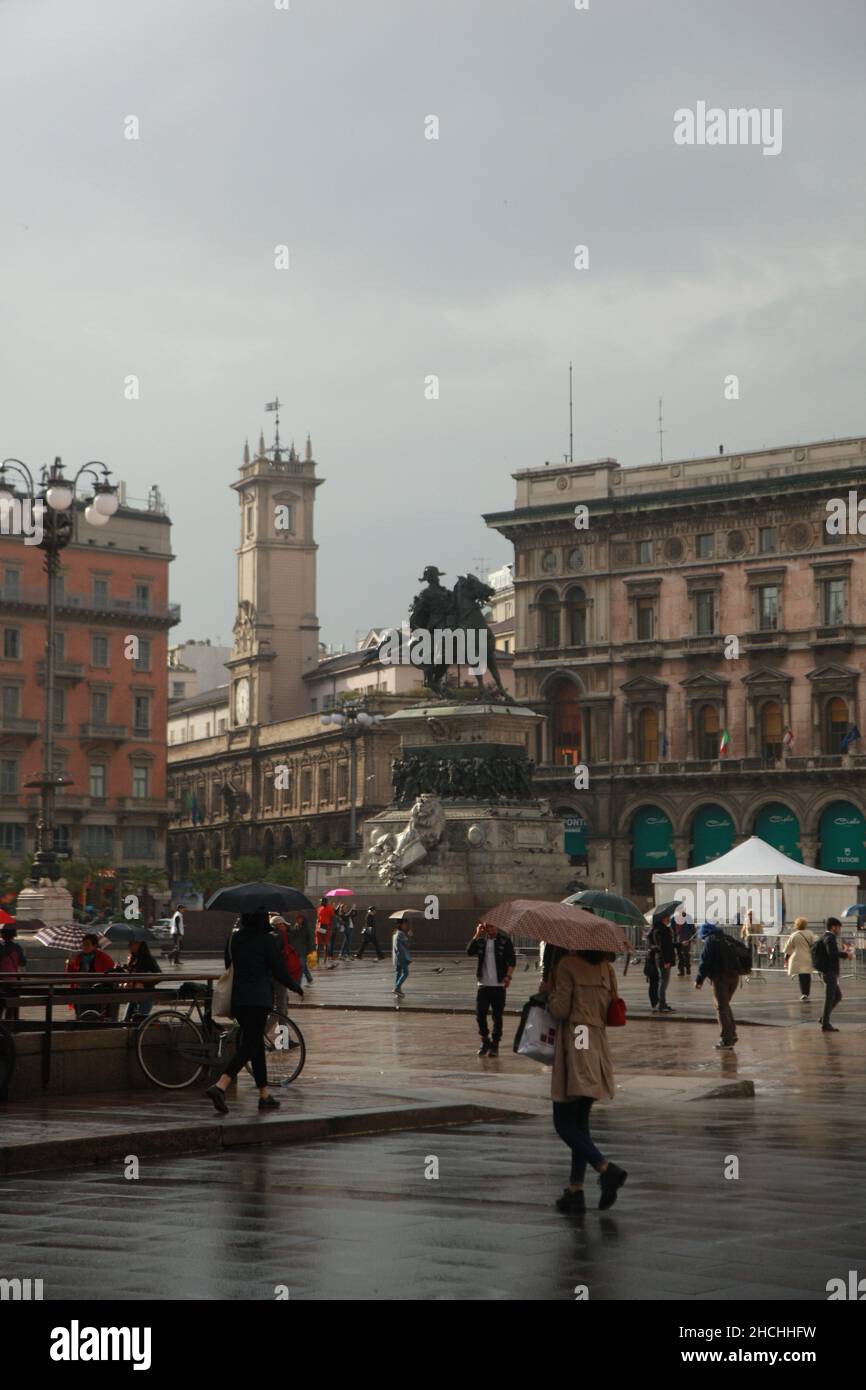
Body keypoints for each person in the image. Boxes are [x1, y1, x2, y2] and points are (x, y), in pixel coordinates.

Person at [541, 948, 627, 1214]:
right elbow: (612, 1005)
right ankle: (575, 1190)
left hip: (577, 1040)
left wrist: (548, 992)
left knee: (563, 1122)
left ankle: (606, 1168)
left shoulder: (567, 965)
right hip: (597, 1042)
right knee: (580, 1124)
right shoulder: (606, 969)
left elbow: (561, 1009)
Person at [205, 910, 303, 1115]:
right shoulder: (267, 940)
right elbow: (279, 970)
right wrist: (295, 986)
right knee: (250, 1045)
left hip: (238, 999)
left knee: (256, 1045)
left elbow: (228, 965)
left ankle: (264, 1095)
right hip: (258, 1000)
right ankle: (220, 1086)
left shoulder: (234, 938)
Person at [466, 921, 516, 1057]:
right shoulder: (481, 941)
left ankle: (495, 1044)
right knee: (480, 1014)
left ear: (497, 927)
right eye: (487, 927)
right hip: (483, 984)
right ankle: (484, 1039)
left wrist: (508, 977)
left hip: (499, 985)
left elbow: (512, 960)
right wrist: (477, 934)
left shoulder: (505, 941)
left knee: (497, 1016)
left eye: (492, 926)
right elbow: (469, 951)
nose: (490, 930)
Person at [695, 922, 739, 1049]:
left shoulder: (711, 940)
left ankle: (726, 1040)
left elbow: (705, 961)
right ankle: (732, 1034)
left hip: (721, 977)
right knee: (724, 1005)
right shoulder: (727, 938)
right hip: (734, 977)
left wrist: (699, 980)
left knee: (720, 1007)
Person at [66, 933, 117, 1019]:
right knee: (81, 1016)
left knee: (96, 1016)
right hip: (80, 992)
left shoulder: (103, 957)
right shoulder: (78, 957)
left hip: (97, 992)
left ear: (94, 946)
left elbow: (111, 970)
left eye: (87, 944)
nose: (84, 946)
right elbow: (72, 975)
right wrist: (70, 965)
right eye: (83, 944)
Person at [815, 917, 849, 1033]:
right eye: (839, 927)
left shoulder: (825, 937)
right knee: (829, 998)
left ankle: (824, 1019)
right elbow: (832, 954)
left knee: (837, 996)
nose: (839, 930)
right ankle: (825, 1024)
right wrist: (845, 955)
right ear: (833, 927)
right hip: (829, 972)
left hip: (828, 971)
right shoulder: (830, 938)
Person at [269, 914, 304, 1014]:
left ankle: (281, 1028)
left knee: (283, 1003)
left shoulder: (269, 936)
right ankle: (272, 1029)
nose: (286, 927)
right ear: (279, 925)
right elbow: (279, 960)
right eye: (284, 925)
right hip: (278, 976)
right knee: (281, 1009)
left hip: (272, 976)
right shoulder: (279, 937)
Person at [121, 938, 161, 1023]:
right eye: (129, 943)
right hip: (134, 995)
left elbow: (159, 976)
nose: (129, 945)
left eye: (132, 943)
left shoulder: (148, 959)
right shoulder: (132, 958)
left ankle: (153, 1026)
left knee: (139, 1020)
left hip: (146, 995)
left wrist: (143, 983)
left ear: (140, 944)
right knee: (126, 1020)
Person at [648, 910, 676, 1012]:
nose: (669, 919)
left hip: (662, 959)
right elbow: (663, 947)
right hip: (663, 960)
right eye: (668, 917)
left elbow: (668, 945)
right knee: (664, 982)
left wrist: (680, 944)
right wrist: (666, 961)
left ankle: (663, 1003)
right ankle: (662, 1004)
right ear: (664, 918)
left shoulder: (661, 929)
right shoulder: (661, 930)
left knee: (663, 981)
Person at [784, 917, 816, 1002]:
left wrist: (786, 959)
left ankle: (803, 993)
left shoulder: (794, 935)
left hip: (797, 958)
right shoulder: (810, 933)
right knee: (807, 975)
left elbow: (788, 949)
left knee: (801, 976)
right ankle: (807, 992)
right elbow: (815, 944)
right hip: (808, 957)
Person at [0, 924, 26, 1021]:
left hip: (1, 980)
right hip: (13, 980)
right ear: (14, 935)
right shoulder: (17, 947)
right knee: (12, 1006)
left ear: (2, 935)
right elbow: (23, 963)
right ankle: (11, 1026)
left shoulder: (0, 947)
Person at [289, 912, 314, 984]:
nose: (298, 920)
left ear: (303, 919)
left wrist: (310, 950)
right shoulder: (295, 927)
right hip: (296, 949)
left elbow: (309, 938)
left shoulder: (306, 928)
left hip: (303, 950)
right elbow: (292, 936)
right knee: (303, 965)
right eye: (297, 919)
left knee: (302, 966)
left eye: (300, 919)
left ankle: (298, 981)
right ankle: (309, 977)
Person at [673, 909, 697, 977]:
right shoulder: (688, 917)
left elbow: (675, 930)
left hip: (681, 939)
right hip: (687, 938)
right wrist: (694, 938)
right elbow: (693, 928)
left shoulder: (677, 918)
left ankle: (682, 971)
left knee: (681, 955)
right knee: (686, 954)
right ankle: (688, 969)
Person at [392, 923, 412, 998]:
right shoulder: (401, 934)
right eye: (404, 925)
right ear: (400, 925)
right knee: (406, 972)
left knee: (398, 973)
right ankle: (397, 988)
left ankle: (398, 991)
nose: (405, 926)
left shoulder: (395, 933)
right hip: (402, 956)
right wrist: (410, 936)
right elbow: (407, 945)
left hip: (397, 956)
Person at [315, 897, 334, 968]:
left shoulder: (320, 908)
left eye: (321, 901)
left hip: (320, 927)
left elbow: (318, 918)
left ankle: (319, 960)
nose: (321, 903)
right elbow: (332, 918)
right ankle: (324, 960)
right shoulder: (329, 908)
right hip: (325, 927)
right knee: (324, 944)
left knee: (320, 944)